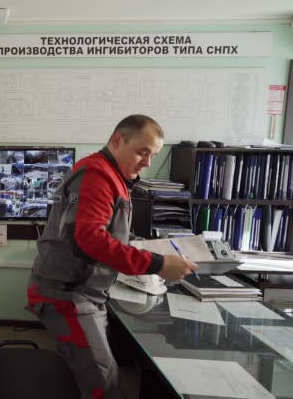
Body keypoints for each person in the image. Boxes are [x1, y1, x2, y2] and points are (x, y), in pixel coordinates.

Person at [26, 114, 198, 399]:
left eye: (153, 155)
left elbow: (107, 233)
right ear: (118, 141)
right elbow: (89, 239)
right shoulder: (97, 175)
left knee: (106, 373)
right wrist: (157, 264)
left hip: (82, 292)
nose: (147, 162)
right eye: (142, 152)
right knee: (103, 385)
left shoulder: (113, 175)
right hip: (67, 295)